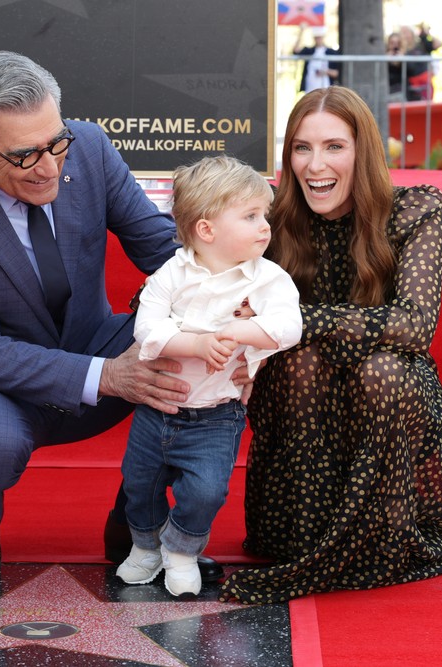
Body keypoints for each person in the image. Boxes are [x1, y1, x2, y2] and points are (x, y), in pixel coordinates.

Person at [0, 51, 234, 582]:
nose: (51, 167)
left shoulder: (89, 147)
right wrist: (107, 376)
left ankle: (137, 518)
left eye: (56, 143)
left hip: (89, 339)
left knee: (204, 349)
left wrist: (235, 295)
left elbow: (160, 248)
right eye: (27, 156)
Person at [218, 86, 442, 606]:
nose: (315, 164)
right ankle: (304, 535)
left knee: (381, 367)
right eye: (301, 147)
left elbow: (414, 325)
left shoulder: (412, 210)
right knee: (300, 360)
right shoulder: (271, 213)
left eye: (334, 146)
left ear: (364, 151)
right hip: (304, 395)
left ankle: (389, 531)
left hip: (390, 392)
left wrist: (291, 320)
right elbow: (197, 276)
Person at [116, 156, 302, 597]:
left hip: (216, 417)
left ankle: (180, 550)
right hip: (157, 410)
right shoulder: (172, 274)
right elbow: (146, 328)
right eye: (251, 216)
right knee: (138, 485)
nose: (265, 226)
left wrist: (241, 331)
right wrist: (196, 345)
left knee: (206, 492)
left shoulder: (267, 279)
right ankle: (145, 546)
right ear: (206, 230)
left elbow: (289, 326)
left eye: (264, 215)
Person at [293, 25, 341, 93]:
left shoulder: (331, 52)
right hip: (310, 87)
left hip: (326, 88)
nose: (318, 39)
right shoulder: (309, 51)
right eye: (316, 37)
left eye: (320, 37)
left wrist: (325, 71)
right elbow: (295, 51)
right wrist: (301, 32)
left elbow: (337, 72)